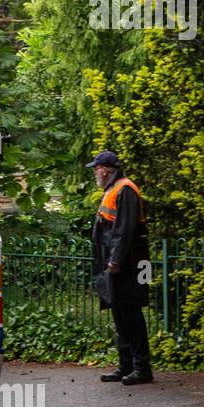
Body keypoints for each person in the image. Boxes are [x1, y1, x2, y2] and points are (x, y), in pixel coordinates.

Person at [88, 150, 152, 385]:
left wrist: (115, 260)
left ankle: (141, 368)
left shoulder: (125, 190)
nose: (95, 172)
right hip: (119, 264)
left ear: (105, 169)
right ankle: (126, 366)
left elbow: (124, 230)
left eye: (96, 168)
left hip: (128, 265)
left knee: (131, 314)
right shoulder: (113, 189)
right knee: (120, 315)